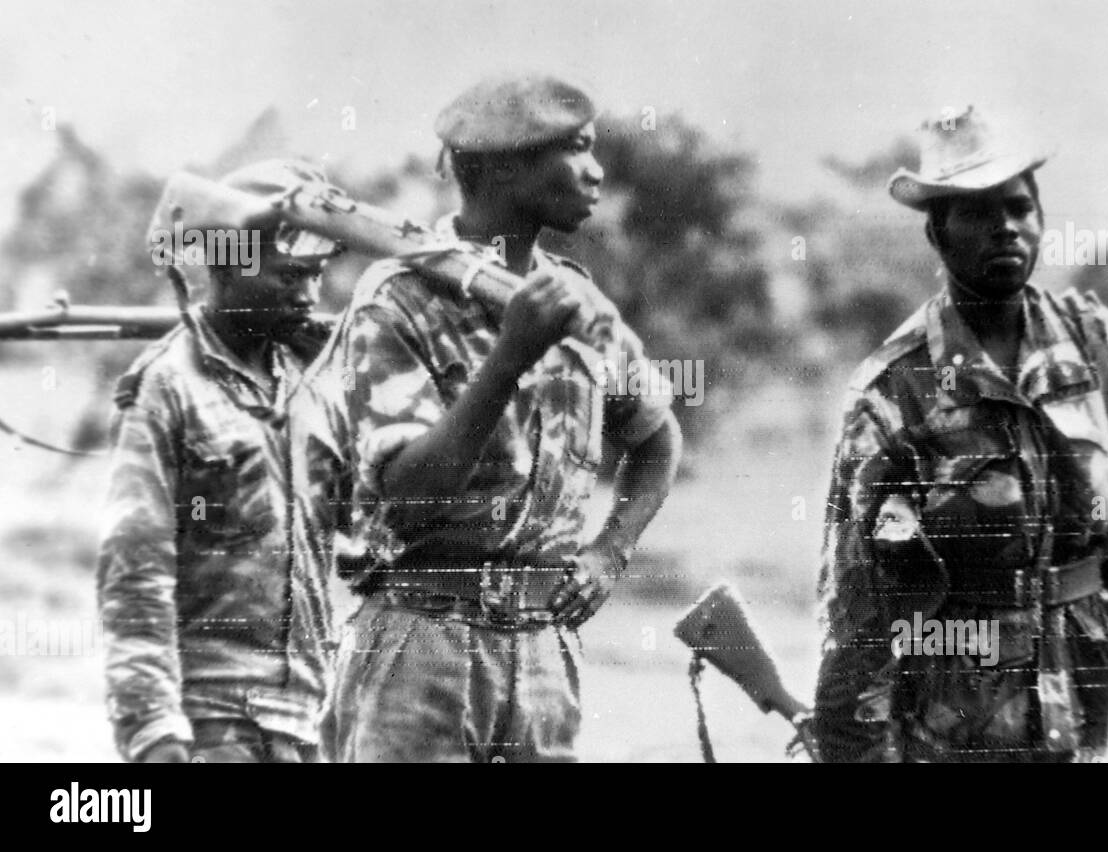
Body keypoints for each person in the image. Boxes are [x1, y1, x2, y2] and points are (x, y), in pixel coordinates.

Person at [811, 107, 1108, 763]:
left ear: (1041, 217)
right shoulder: (894, 391)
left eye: (1020, 207)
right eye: (977, 212)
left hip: (1082, 696)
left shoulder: (1099, 344)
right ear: (938, 234)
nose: (1006, 227)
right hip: (952, 723)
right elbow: (856, 608)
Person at [326, 73, 682, 762]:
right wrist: (509, 358)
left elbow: (658, 439)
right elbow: (409, 492)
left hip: (543, 649)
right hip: (420, 645)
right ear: (506, 166)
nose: (596, 171)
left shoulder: (577, 301)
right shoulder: (397, 300)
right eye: (575, 149)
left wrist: (611, 552)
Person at [97, 160, 342, 763]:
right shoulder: (165, 388)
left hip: (302, 720)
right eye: (289, 278)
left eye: (315, 277)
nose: (309, 297)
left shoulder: (314, 385)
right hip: (210, 722)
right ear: (228, 265)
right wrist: (154, 732)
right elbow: (135, 578)